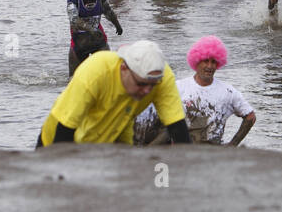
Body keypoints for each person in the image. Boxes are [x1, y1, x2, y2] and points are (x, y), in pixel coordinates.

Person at [35, 40, 191, 147]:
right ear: (124, 69)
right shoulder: (96, 71)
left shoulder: (162, 77)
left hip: (110, 141)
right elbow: (65, 131)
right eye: (141, 84)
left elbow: (178, 128)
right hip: (58, 137)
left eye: (153, 86)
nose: (147, 91)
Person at [134, 36, 256, 146]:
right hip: (181, 152)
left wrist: (232, 145)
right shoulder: (179, 87)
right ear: (197, 61)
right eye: (206, 61)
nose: (209, 66)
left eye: (214, 62)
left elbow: (250, 116)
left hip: (213, 153)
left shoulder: (228, 92)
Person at [66, 0, 124, 77]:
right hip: (79, 43)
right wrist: (91, 29)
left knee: (108, 74)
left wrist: (117, 24)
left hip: (98, 41)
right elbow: (74, 20)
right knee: (75, 79)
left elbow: (108, 11)